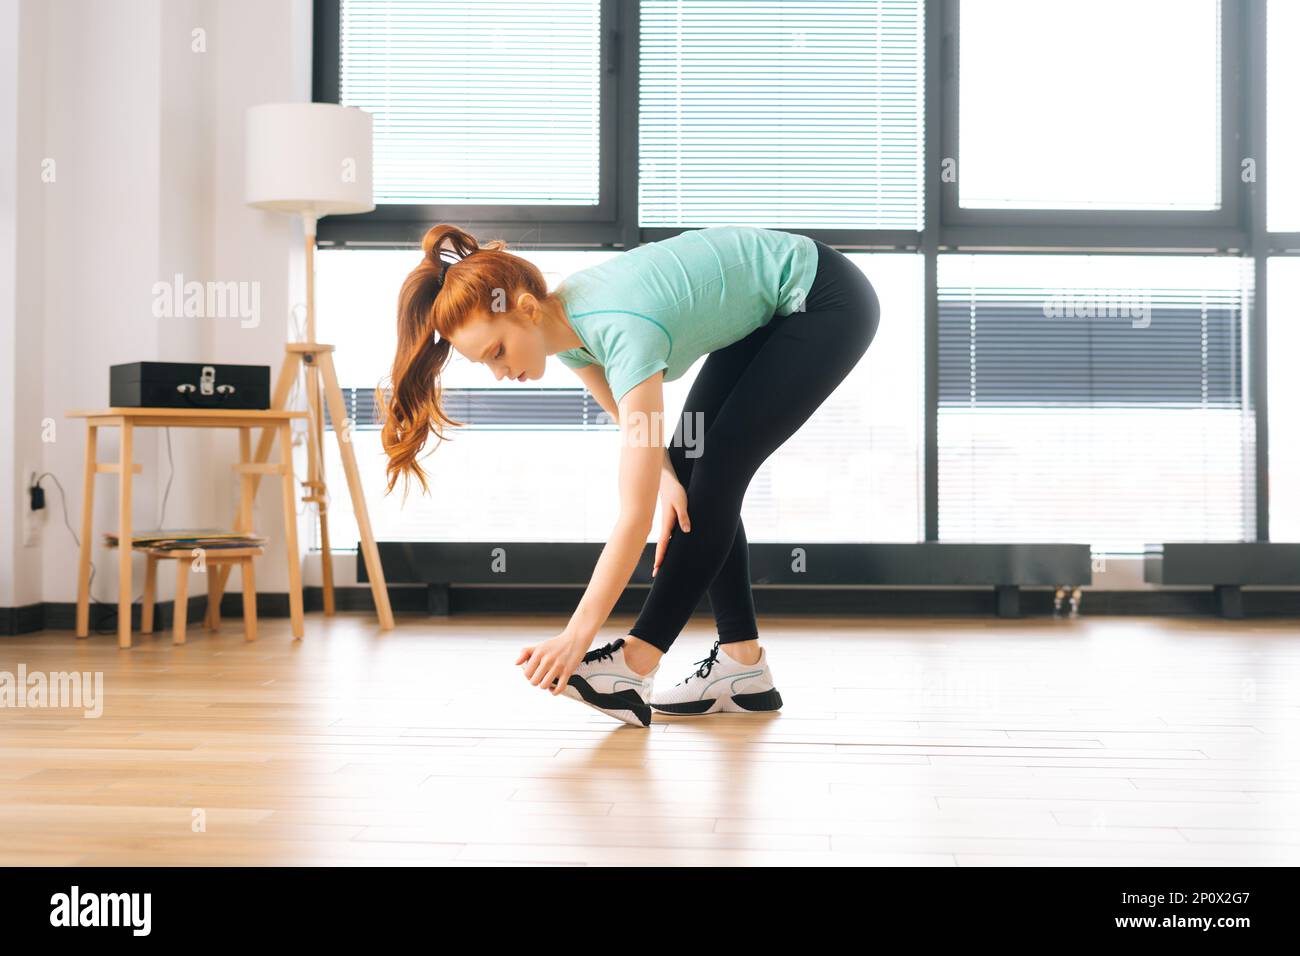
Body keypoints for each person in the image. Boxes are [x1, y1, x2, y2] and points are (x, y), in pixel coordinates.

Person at [379, 223, 880, 727]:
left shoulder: (622, 330)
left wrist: (577, 636)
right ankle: (742, 666)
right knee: (689, 470)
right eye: (485, 363)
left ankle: (635, 663)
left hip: (826, 298)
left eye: (497, 353)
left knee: (717, 474)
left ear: (526, 309)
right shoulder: (566, 330)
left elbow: (633, 516)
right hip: (768, 310)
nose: (501, 373)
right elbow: (634, 424)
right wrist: (668, 480)